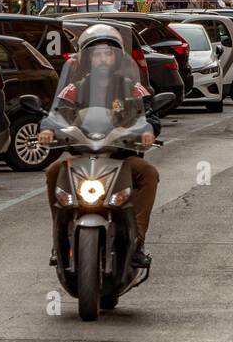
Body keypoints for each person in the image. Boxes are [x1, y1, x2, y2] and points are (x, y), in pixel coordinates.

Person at [38, 24, 160, 268]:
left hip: (120, 157)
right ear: (87, 59)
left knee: (148, 173)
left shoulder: (131, 86)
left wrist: (147, 131)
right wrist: (48, 129)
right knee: (53, 171)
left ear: (116, 58)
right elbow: (56, 113)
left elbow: (150, 115)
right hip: (82, 156)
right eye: (97, 54)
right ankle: (59, 238)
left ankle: (137, 241)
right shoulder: (75, 88)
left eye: (108, 54)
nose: (103, 59)